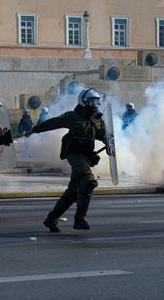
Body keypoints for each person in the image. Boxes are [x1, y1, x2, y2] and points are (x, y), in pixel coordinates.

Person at [25, 88, 106, 232]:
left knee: (73, 192)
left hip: (86, 156)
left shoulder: (96, 120)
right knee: (89, 181)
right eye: (92, 101)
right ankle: (80, 218)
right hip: (74, 153)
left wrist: (110, 143)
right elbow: (53, 123)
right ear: (83, 101)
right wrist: (34, 130)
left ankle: (51, 219)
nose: (95, 104)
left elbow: (104, 136)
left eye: (97, 101)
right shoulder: (73, 116)